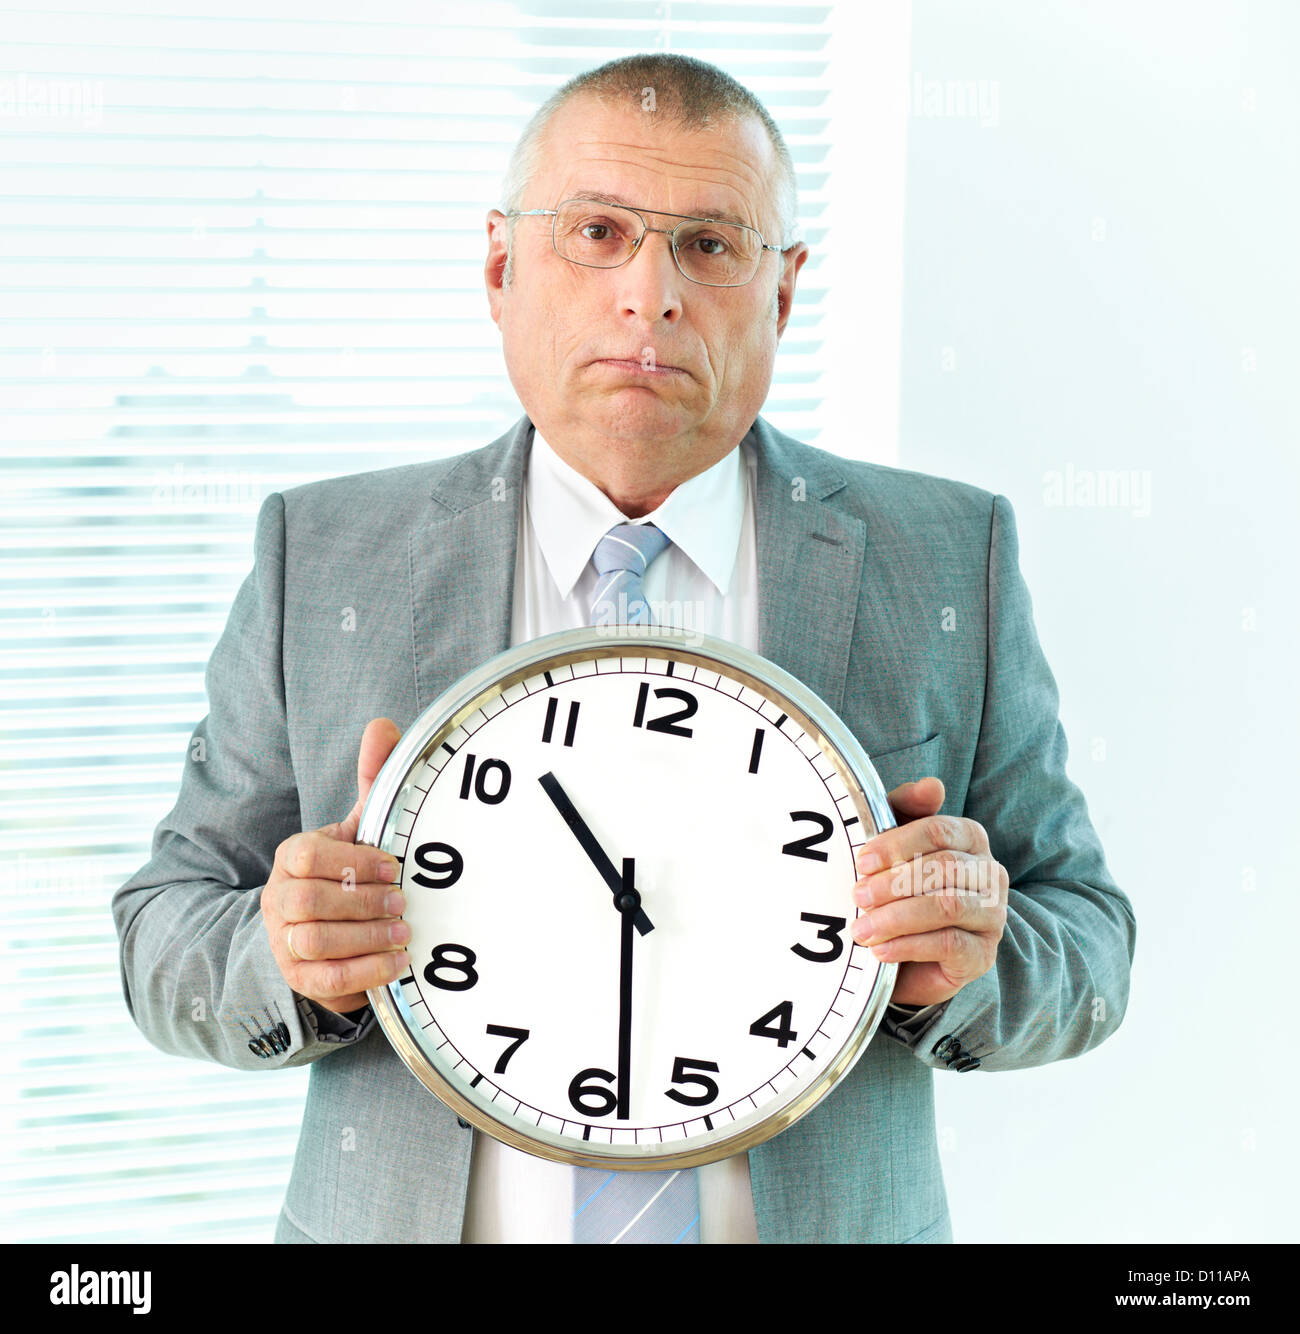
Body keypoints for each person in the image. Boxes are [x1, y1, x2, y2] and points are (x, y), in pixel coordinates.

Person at [113, 53, 1135, 1244]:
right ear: (501, 267)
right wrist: (284, 951)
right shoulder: (324, 552)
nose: (648, 295)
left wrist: (973, 951)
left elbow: (1091, 944)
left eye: (709, 244)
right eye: (596, 231)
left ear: (785, 292)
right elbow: (160, 934)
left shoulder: (948, 555)